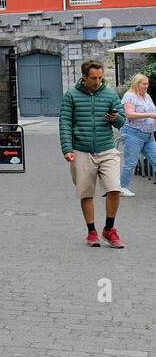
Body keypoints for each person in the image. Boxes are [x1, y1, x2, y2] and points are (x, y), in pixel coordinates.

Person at [59, 60, 125, 248]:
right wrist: (67, 149)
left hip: (107, 148)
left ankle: (109, 229)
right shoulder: (71, 95)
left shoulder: (110, 94)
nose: (98, 81)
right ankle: (91, 231)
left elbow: (122, 122)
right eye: (93, 78)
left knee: (114, 188)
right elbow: (65, 122)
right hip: (81, 149)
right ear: (84, 77)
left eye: (100, 77)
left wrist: (116, 118)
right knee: (86, 192)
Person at [118, 73, 156, 197]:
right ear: (137, 84)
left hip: (149, 135)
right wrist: (150, 115)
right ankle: (122, 187)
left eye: (147, 83)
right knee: (130, 162)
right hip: (133, 133)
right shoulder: (129, 96)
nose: (146, 86)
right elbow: (129, 114)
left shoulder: (147, 96)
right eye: (144, 84)